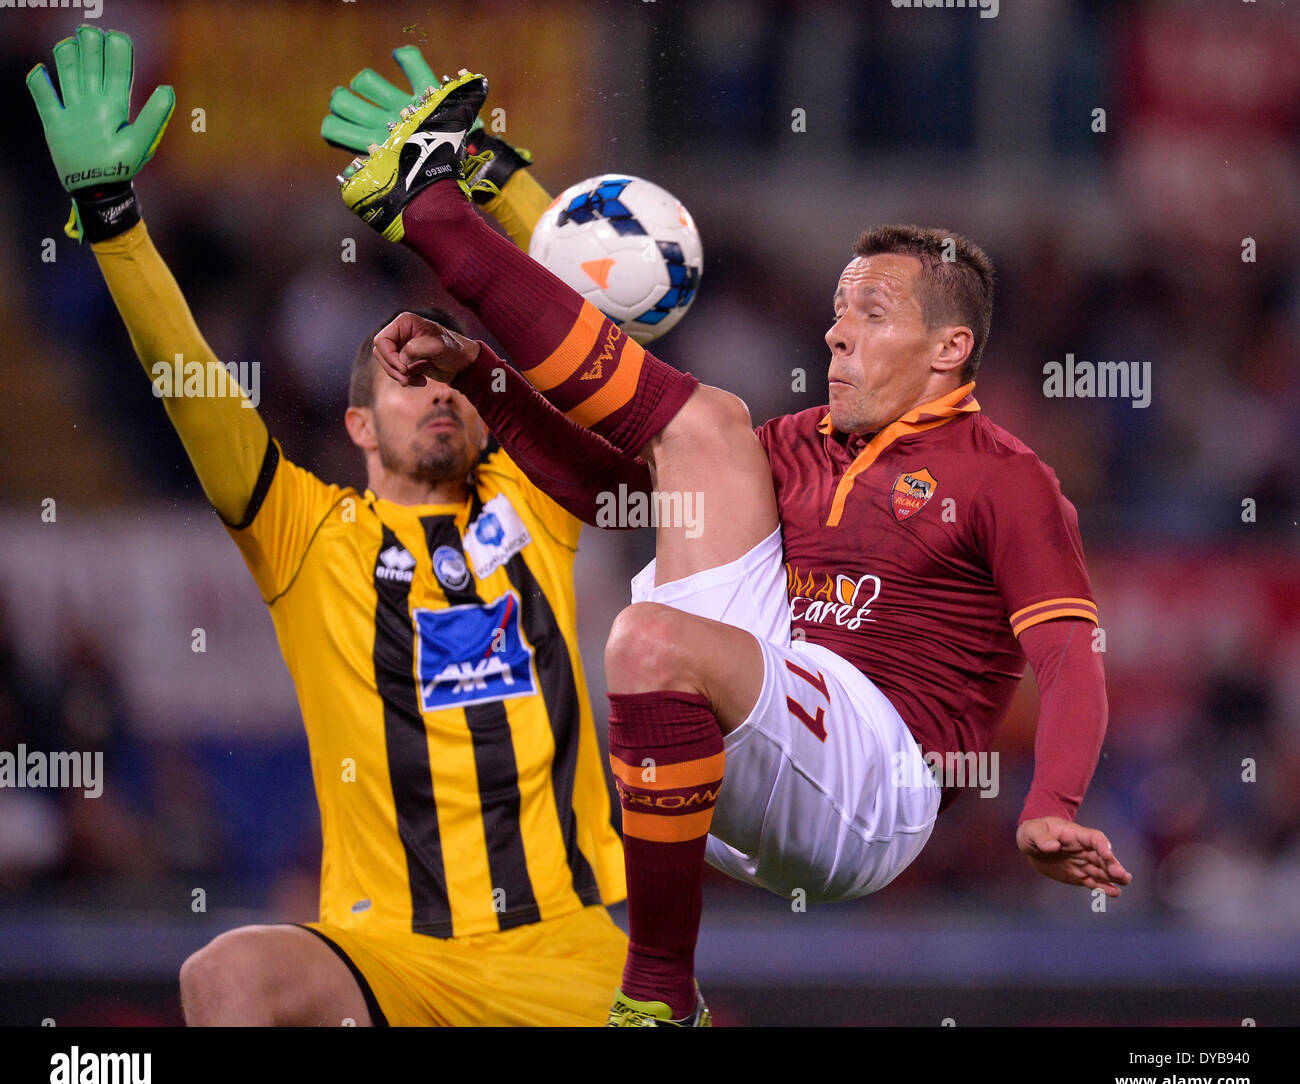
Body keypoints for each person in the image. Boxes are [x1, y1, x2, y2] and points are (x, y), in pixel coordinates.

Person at [326, 66, 1134, 1027]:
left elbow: (1069, 654)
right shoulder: (795, 444)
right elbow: (620, 496)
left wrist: (1051, 803)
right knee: (699, 451)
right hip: (746, 736)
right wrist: (483, 379)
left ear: (949, 350)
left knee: (665, 570)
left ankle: (657, 993)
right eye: (838, 311)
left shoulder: (1005, 476)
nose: (836, 335)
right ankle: (437, 207)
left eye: (871, 315)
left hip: (877, 786)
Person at [27, 27, 644, 1027]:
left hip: (570, 951)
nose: (434, 392)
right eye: (406, 378)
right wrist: (114, 223)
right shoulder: (306, 534)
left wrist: (491, 179)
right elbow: (193, 387)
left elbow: (601, 351)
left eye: (449, 377)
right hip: (389, 955)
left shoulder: (536, 501)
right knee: (224, 977)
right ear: (357, 425)